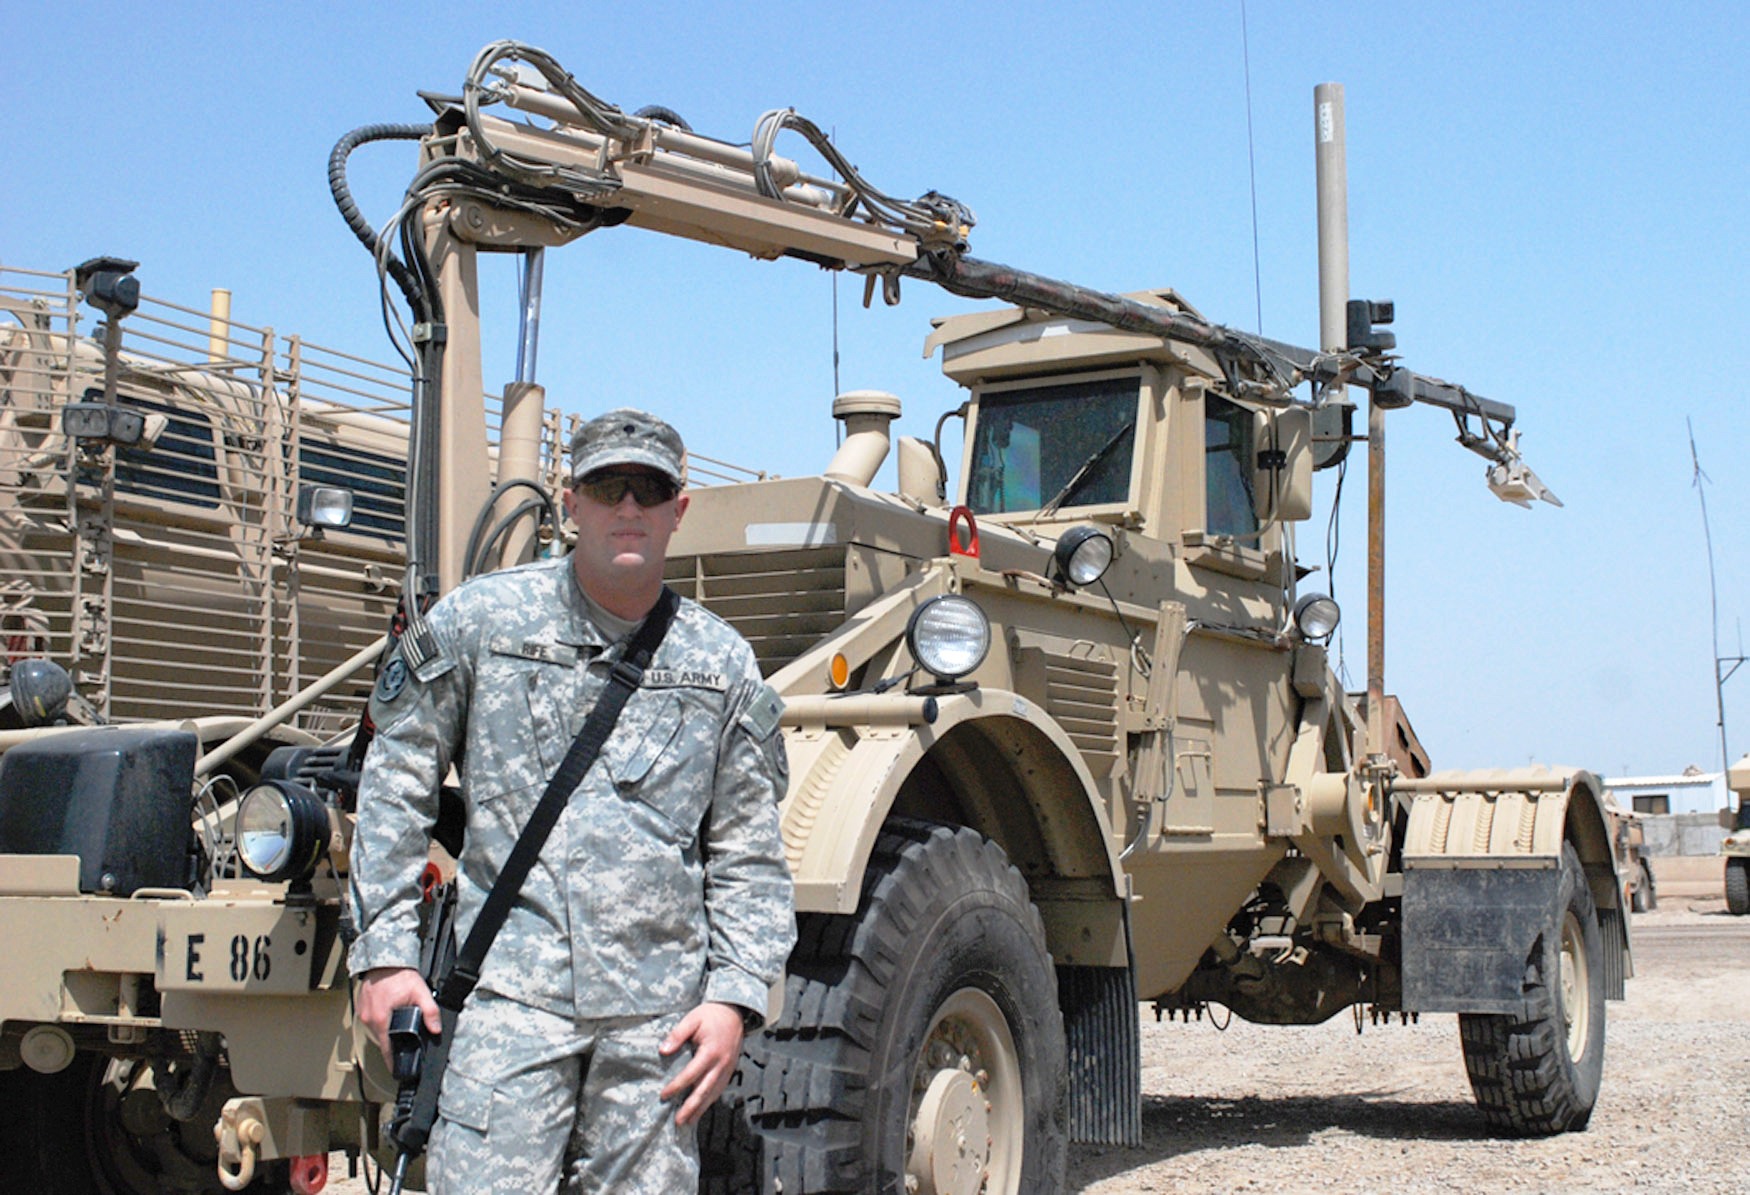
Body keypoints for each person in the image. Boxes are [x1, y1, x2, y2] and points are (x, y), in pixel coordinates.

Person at [347, 408, 796, 1193]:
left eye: (650, 489)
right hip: (511, 1004)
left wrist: (733, 996)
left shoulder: (720, 660)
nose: (629, 506)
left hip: (658, 1029)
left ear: (678, 511)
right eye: (608, 485)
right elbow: (395, 781)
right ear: (570, 501)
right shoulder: (482, 622)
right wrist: (384, 956)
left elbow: (748, 848)